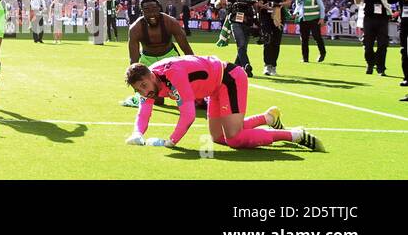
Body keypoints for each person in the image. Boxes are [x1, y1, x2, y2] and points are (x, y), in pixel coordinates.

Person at [124, 55, 323, 152]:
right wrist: (137, 133)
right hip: (214, 88)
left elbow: (188, 115)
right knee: (218, 137)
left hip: (229, 79)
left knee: (234, 139)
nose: (144, 92)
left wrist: (171, 141)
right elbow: (144, 111)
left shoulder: (172, 74)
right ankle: (269, 118)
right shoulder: (148, 83)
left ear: (151, 76)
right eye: (139, 89)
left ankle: (295, 135)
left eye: (143, 85)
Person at [121, 0, 195, 107]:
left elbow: (185, 47)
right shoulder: (135, 28)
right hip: (148, 60)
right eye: (147, 10)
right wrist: (134, 80)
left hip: (170, 59)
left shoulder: (171, 22)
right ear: (142, 12)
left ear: (159, 8)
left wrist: (194, 71)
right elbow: (134, 59)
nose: (151, 14)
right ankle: (138, 98)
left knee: (185, 98)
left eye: (154, 9)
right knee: (157, 101)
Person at [215, 0, 260, 77]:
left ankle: (233, 69)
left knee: (243, 47)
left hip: (248, 21)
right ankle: (246, 66)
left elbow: (256, 5)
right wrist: (220, 2)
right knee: (241, 44)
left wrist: (260, 8)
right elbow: (217, 4)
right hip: (235, 21)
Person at [356, 0, 392, 77]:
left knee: (382, 44)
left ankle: (381, 68)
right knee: (367, 44)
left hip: (382, 19)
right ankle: (370, 64)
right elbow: (357, 1)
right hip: (368, 19)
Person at [257, 0, 290, 77]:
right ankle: (267, 65)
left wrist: (280, 5)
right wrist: (263, 6)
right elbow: (258, 2)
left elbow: (288, 1)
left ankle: (273, 65)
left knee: (276, 41)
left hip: (278, 15)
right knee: (267, 38)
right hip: (265, 16)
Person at [292, 0, 326, 64]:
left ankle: (322, 53)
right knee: (304, 39)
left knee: (317, 37)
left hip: (314, 18)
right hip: (303, 19)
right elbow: (298, 6)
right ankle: (305, 58)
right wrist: (295, 13)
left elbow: (321, 6)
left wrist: (322, 18)